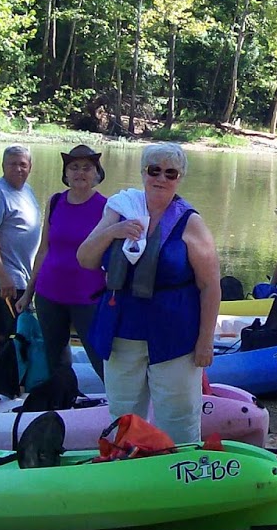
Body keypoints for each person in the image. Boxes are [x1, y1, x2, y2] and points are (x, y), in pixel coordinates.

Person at [77, 143, 220, 444]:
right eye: (154, 170)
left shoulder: (190, 222)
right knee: (123, 415)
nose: (162, 178)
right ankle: (126, 472)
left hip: (175, 335)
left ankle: (180, 477)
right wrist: (112, 232)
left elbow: (210, 285)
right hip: (122, 330)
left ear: (180, 178)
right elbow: (85, 258)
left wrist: (205, 341)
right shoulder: (120, 209)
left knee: (178, 415)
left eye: (171, 173)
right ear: (143, 172)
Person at [27, 144, 109, 385]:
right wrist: (29, 290)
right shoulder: (55, 202)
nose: (79, 173)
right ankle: (62, 405)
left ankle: (123, 408)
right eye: (74, 167)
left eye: (86, 167)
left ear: (96, 174)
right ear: (66, 174)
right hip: (48, 293)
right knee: (56, 359)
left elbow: (116, 255)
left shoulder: (107, 207)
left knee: (99, 356)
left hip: (88, 297)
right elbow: (43, 249)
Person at [0, 145, 41, 388]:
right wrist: (3, 276)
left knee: (20, 334)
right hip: (4, 281)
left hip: (25, 279)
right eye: (12, 164)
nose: (18, 169)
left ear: (30, 167)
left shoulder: (28, 191)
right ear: (3, 166)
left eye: (23, 164)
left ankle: (15, 384)